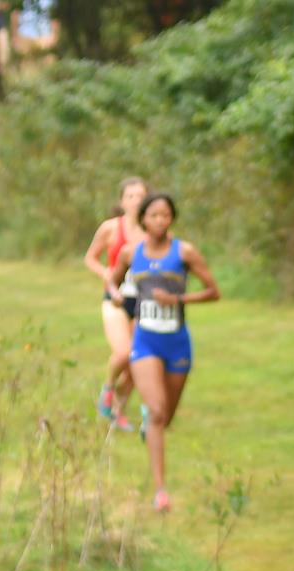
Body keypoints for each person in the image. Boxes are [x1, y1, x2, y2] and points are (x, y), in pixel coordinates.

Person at [108, 192, 220, 513]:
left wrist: (179, 301)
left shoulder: (184, 252)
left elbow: (214, 292)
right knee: (156, 412)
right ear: (143, 218)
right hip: (145, 341)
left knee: (165, 417)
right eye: (154, 215)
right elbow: (112, 281)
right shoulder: (131, 253)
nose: (160, 221)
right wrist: (117, 296)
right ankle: (160, 491)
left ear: (172, 219)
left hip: (177, 343)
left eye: (166, 215)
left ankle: (150, 426)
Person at [85, 175, 146, 430]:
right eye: (130, 196)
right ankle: (108, 389)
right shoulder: (111, 228)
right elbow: (90, 258)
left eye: (140, 196)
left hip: (144, 301)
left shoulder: (153, 228)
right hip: (116, 298)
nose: (135, 201)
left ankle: (117, 412)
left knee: (138, 363)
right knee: (123, 352)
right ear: (122, 201)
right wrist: (106, 274)